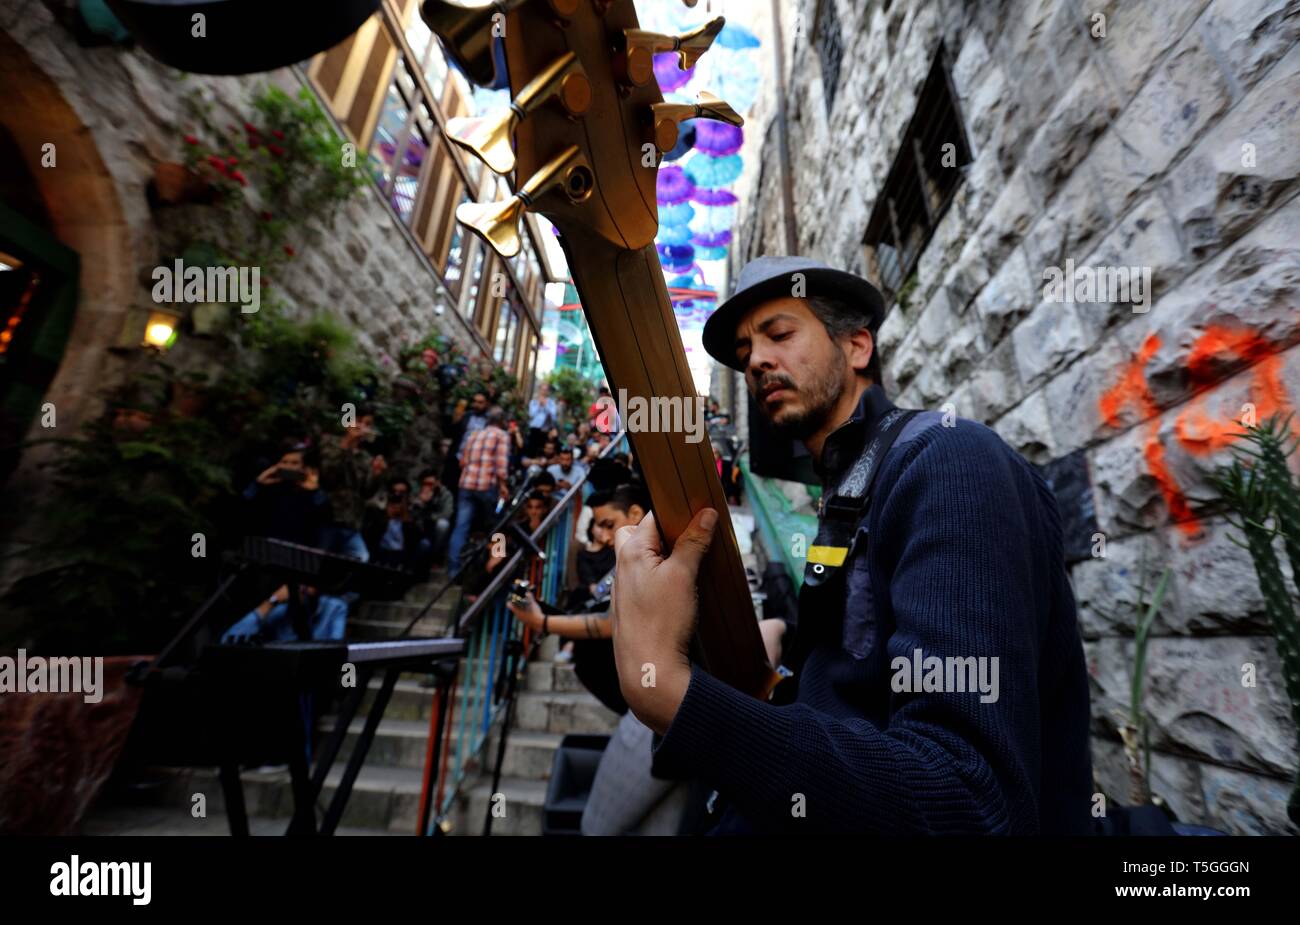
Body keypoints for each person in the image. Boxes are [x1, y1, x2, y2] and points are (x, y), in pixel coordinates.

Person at [608, 255, 1093, 835]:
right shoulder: (849, 494)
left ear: (858, 346)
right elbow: (854, 697)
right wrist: (784, 657)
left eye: (780, 333)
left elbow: (967, 799)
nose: (758, 361)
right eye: (744, 356)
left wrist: (670, 691)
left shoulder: (948, 461)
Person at [447, 405, 511, 575]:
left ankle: (454, 570)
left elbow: (462, 461)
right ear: (502, 421)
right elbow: (501, 465)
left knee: (461, 526)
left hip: (466, 484)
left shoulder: (474, 435)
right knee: (498, 524)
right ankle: (496, 563)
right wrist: (503, 485)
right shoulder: (501, 435)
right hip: (487, 486)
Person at [318, 411, 386, 561]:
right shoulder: (330, 443)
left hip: (352, 521)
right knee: (317, 561)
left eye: (367, 424)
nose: (361, 427)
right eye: (359, 421)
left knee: (361, 558)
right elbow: (328, 476)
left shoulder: (365, 457)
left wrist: (376, 474)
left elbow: (366, 492)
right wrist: (346, 444)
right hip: (328, 517)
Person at [241, 443, 331, 548]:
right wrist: (258, 483)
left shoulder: (312, 492)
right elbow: (243, 506)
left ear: (304, 467)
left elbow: (325, 519)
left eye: (294, 463)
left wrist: (314, 490)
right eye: (284, 462)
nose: (288, 466)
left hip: (298, 550)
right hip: (266, 546)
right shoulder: (268, 487)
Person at [221, 583, 349, 642]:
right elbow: (228, 639)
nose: (305, 587)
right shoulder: (281, 613)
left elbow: (334, 649)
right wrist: (271, 602)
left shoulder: (335, 608)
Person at [411, 469, 454, 565]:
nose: (428, 486)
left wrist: (430, 516)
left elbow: (447, 514)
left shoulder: (445, 494)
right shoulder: (416, 492)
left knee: (443, 525)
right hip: (419, 527)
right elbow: (410, 514)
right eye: (425, 483)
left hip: (435, 528)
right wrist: (422, 503)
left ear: (437, 483)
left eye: (431, 483)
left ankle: (436, 556)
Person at [527, 382, 558, 457]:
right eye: (542, 389)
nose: (544, 391)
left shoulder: (551, 403)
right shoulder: (533, 402)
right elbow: (531, 415)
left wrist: (545, 405)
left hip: (545, 431)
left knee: (544, 453)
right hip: (534, 431)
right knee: (532, 452)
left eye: (546, 390)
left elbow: (554, 417)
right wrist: (538, 405)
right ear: (539, 390)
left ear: (548, 391)